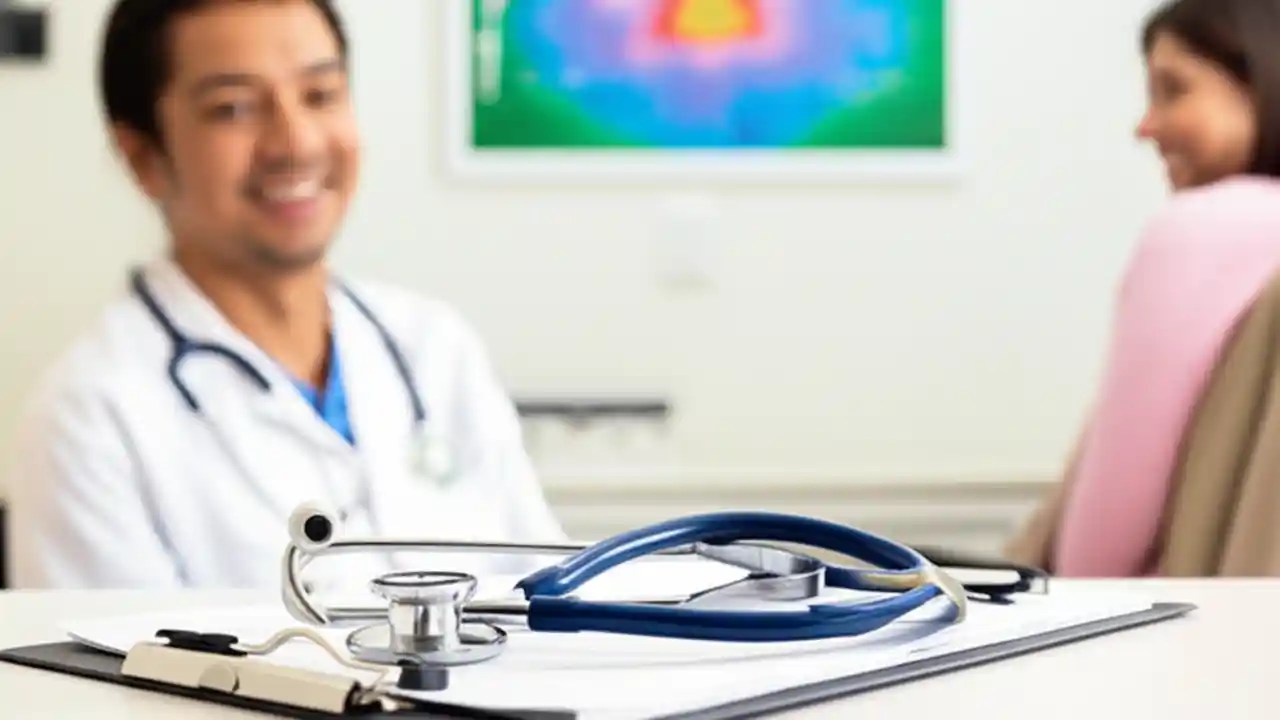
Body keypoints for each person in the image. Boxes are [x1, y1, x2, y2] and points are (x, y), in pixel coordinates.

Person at [4, 0, 565, 589]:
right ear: (144, 156)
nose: (295, 143)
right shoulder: (89, 421)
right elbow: (99, 652)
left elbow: (547, 595)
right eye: (233, 108)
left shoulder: (432, 347)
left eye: (320, 95)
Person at [1006, 0, 1280, 576]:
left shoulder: (1210, 226)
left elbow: (1097, 554)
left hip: (1183, 624)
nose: (1145, 127)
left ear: (1265, 82)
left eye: (1173, 90)